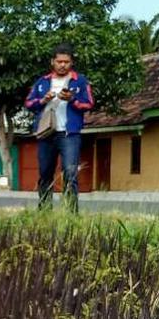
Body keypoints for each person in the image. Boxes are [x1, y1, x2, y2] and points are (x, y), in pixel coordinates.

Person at [24, 44, 95, 213]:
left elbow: (89, 103)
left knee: (70, 174)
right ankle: (44, 212)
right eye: (59, 61)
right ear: (52, 62)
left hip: (69, 134)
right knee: (45, 174)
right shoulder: (42, 82)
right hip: (46, 133)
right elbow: (28, 103)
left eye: (66, 62)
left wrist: (72, 99)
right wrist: (43, 100)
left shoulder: (80, 81)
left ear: (72, 63)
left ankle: (70, 214)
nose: (62, 65)